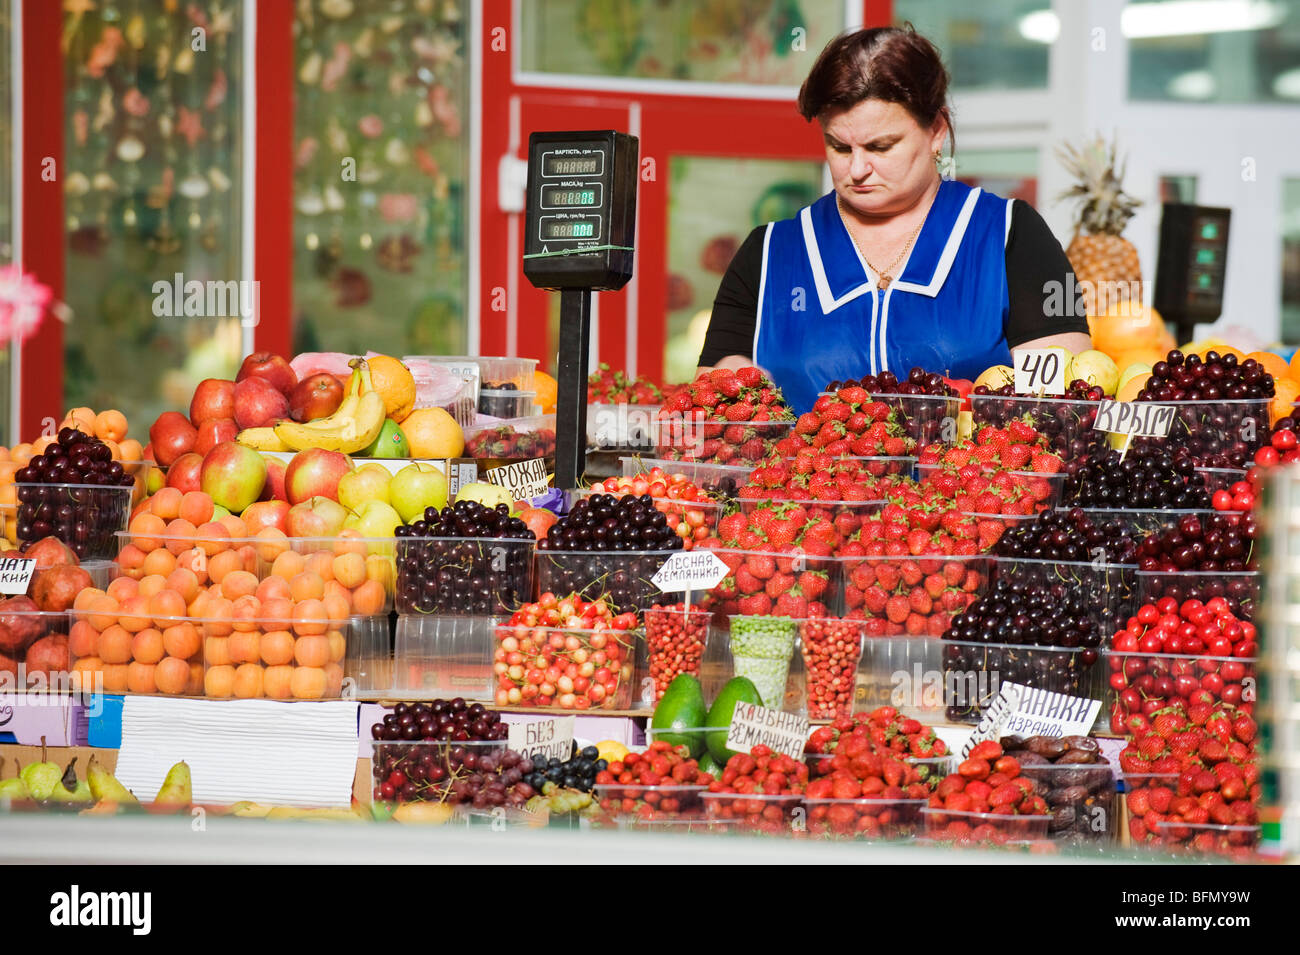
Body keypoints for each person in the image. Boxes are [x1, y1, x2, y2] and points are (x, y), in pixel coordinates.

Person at [697, 27, 1091, 413]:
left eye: (880, 146)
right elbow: (715, 410)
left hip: (969, 478)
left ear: (936, 130)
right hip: (804, 478)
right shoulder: (767, 254)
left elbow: (1058, 414)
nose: (857, 168)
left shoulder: (1012, 235)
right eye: (838, 146)